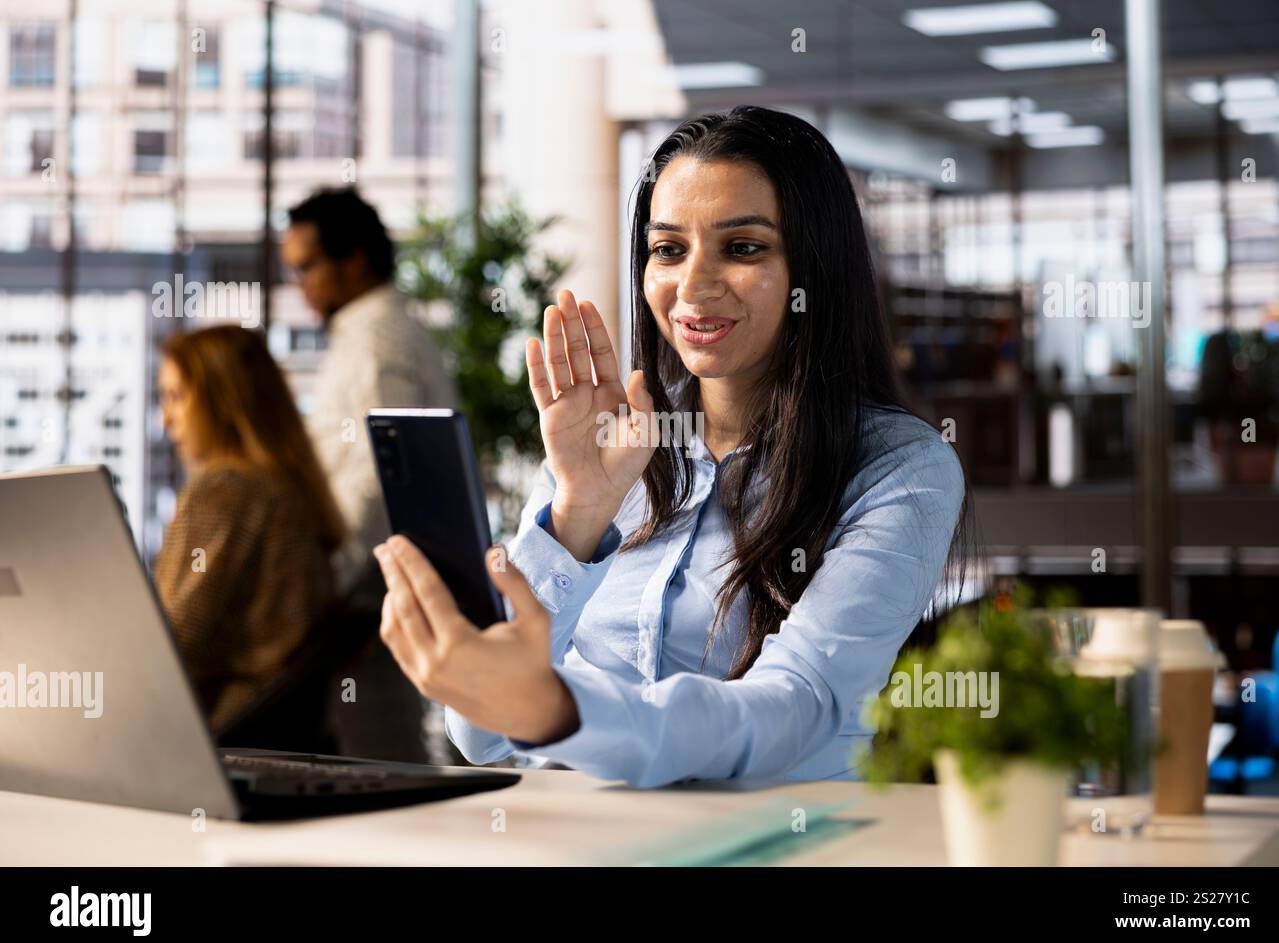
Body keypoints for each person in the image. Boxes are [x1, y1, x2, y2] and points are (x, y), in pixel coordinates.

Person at [373, 106, 973, 787]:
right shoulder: (611, 443)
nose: (692, 286)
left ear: (816, 267)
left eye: (742, 247)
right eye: (668, 249)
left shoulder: (903, 468)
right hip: (585, 836)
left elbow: (796, 706)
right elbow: (479, 732)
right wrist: (577, 511)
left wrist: (556, 710)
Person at [283, 186, 457, 762]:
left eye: (307, 267)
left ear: (355, 259)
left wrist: (322, 587)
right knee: (375, 757)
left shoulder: (377, 340)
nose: (300, 285)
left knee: (379, 761)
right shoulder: (369, 332)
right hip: (372, 586)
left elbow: (381, 475)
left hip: (369, 592)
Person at [155, 325, 345, 732]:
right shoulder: (288, 489)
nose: (165, 419)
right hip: (283, 735)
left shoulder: (226, 489)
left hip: (218, 738)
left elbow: (173, 643)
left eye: (177, 397)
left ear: (224, 400)